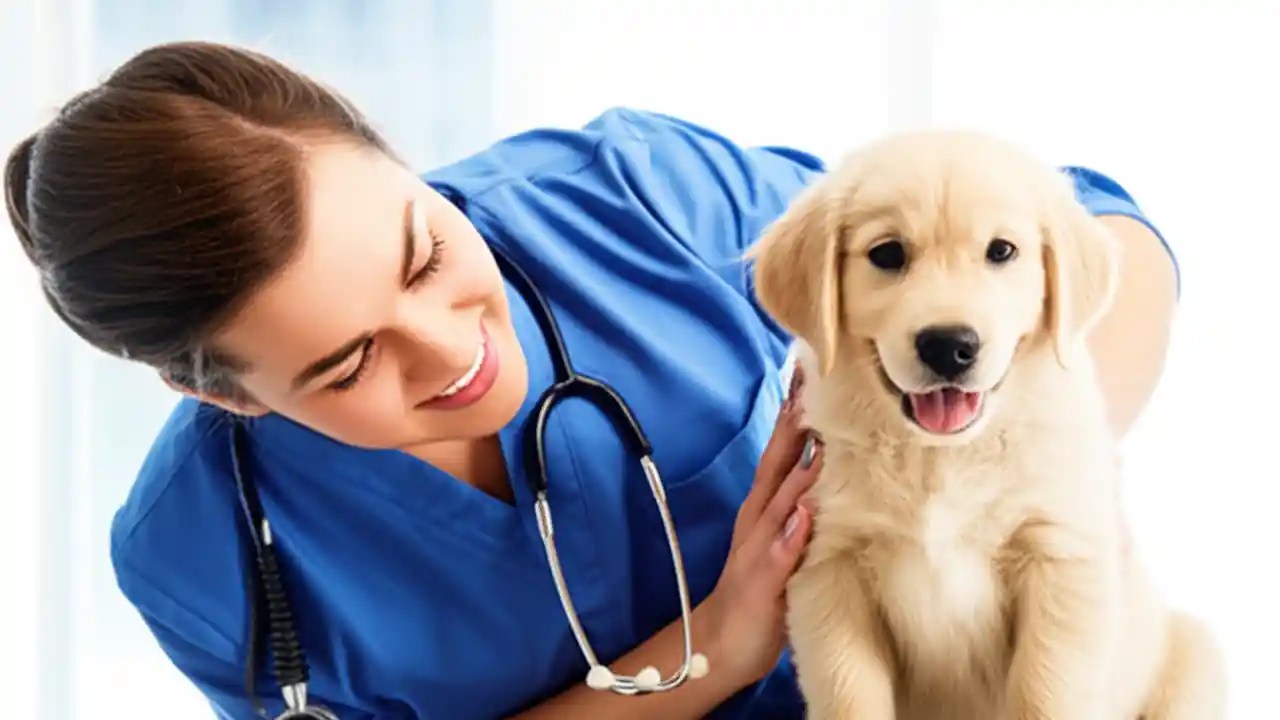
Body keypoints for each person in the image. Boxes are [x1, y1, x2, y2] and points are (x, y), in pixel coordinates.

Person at [3, 41, 1180, 720]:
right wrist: (710, 650)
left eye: (424, 252)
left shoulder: (629, 198)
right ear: (229, 396)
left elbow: (1092, 234)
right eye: (348, 362)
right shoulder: (203, 552)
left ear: (402, 163)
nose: (449, 347)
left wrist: (1019, 482)